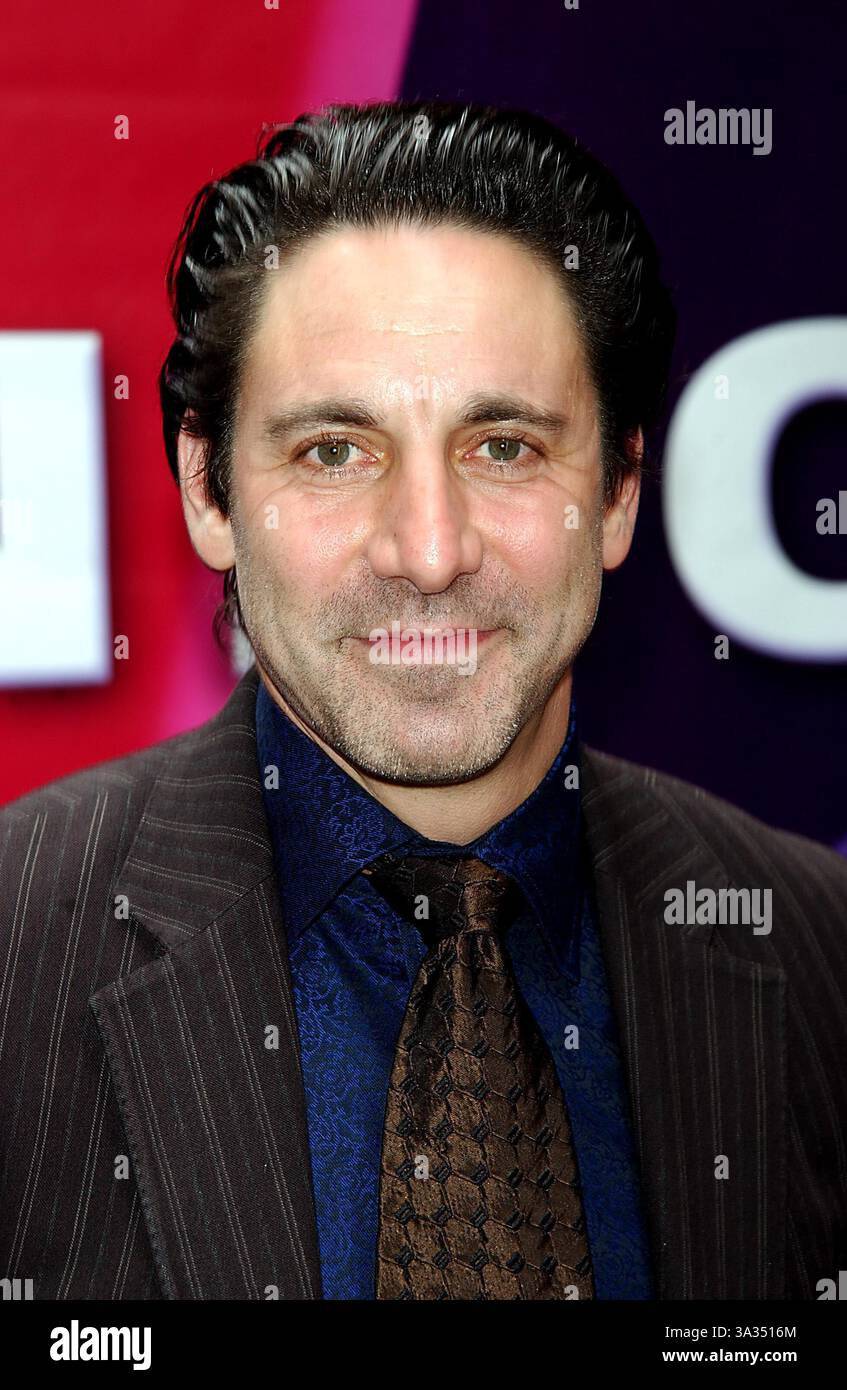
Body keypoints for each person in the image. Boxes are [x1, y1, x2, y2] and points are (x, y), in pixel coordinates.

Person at [1, 101, 844, 1302]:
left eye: (503, 446)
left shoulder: (813, 949)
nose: (430, 550)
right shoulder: (17, 952)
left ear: (616, 492)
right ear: (207, 490)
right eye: (334, 451)